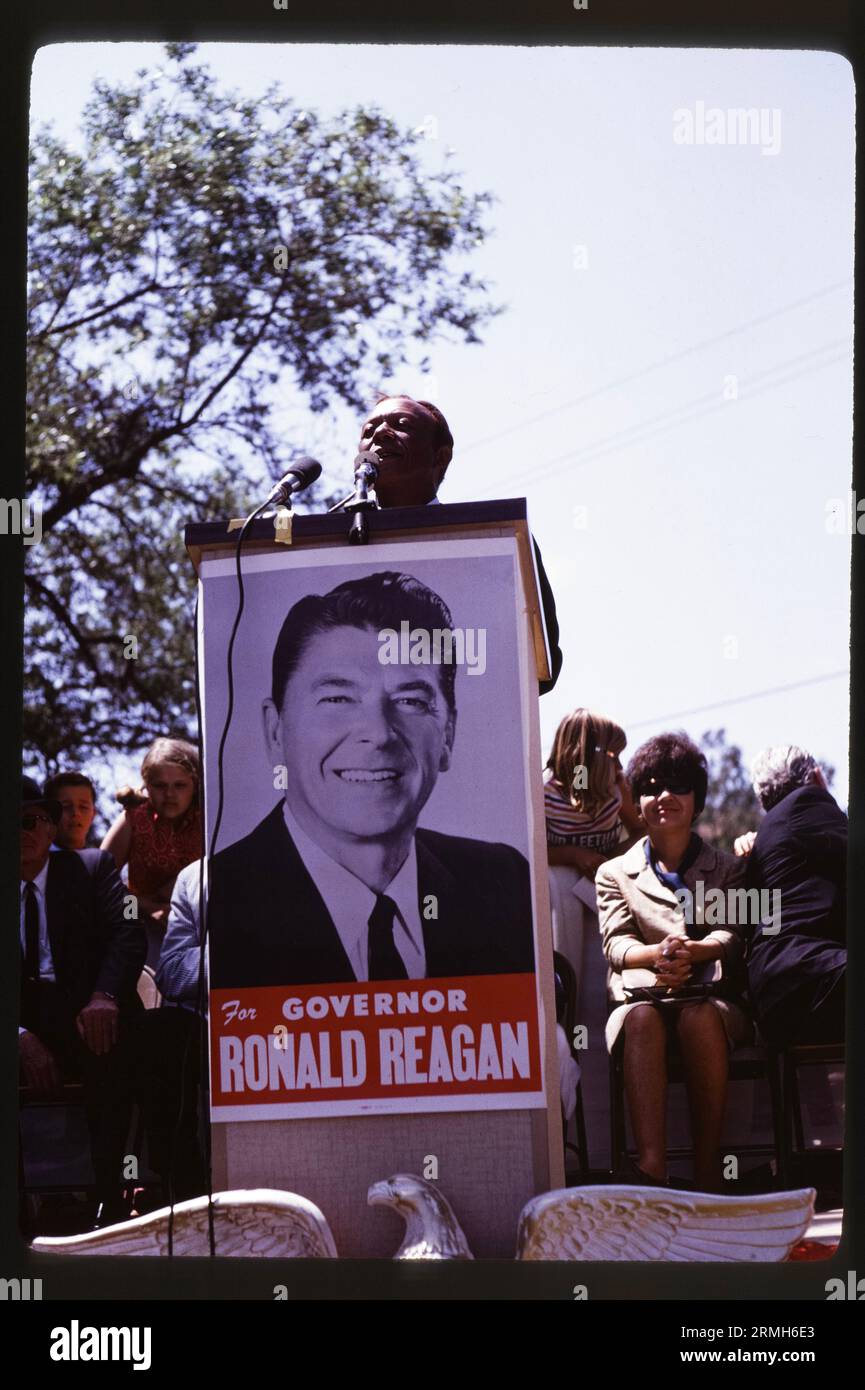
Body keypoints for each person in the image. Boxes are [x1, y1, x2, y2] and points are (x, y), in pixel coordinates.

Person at [208, 570, 535, 988]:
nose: (379, 733)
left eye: (410, 701)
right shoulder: (223, 893)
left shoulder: (500, 883)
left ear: (448, 735)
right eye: (338, 698)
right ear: (276, 731)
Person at [595, 733, 751, 1192]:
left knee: (700, 1018)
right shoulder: (613, 873)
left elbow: (736, 934)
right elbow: (617, 945)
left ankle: (706, 1176)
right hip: (641, 997)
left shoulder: (728, 869)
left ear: (696, 799)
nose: (663, 796)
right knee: (641, 1020)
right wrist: (658, 956)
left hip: (712, 999)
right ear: (638, 801)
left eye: (678, 785)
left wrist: (697, 951)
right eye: (650, 786)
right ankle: (653, 1172)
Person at [351, 393, 563, 695]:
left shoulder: (497, 540)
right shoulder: (338, 546)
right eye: (369, 431)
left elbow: (544, 664)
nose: (381, 433)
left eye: (401, 424)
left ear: (440, 456)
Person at [18, 776, 146, 1227]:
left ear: (51, 828)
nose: (23, 832)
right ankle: (21, 1223)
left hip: (86, 1012)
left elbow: (128, 930)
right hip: (23, 1021)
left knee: (112, 1047)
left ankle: (112, 1206)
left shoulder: (93, 868)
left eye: (33, 820)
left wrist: (104, 996)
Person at [742, 746, 846, 1048]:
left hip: (775, 993)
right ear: (815, 776)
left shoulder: (770, 830)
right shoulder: (808, 801)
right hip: (805, 973)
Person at [101, 737, 203, 968]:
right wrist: (147, 908)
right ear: (147, 785)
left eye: (179, 785)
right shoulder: (133, 818)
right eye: (160, 786)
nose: (169, 794)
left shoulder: (209, 821)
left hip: (200, 925)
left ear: (195, 785)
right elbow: (98, 883)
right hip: (138, 920)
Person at [44, 771, 98, 851]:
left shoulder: (100, 861)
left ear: (93, 814)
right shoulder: (34, 861)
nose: (76, 813)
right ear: (49, 814)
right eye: (66, 807)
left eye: (83, 807)